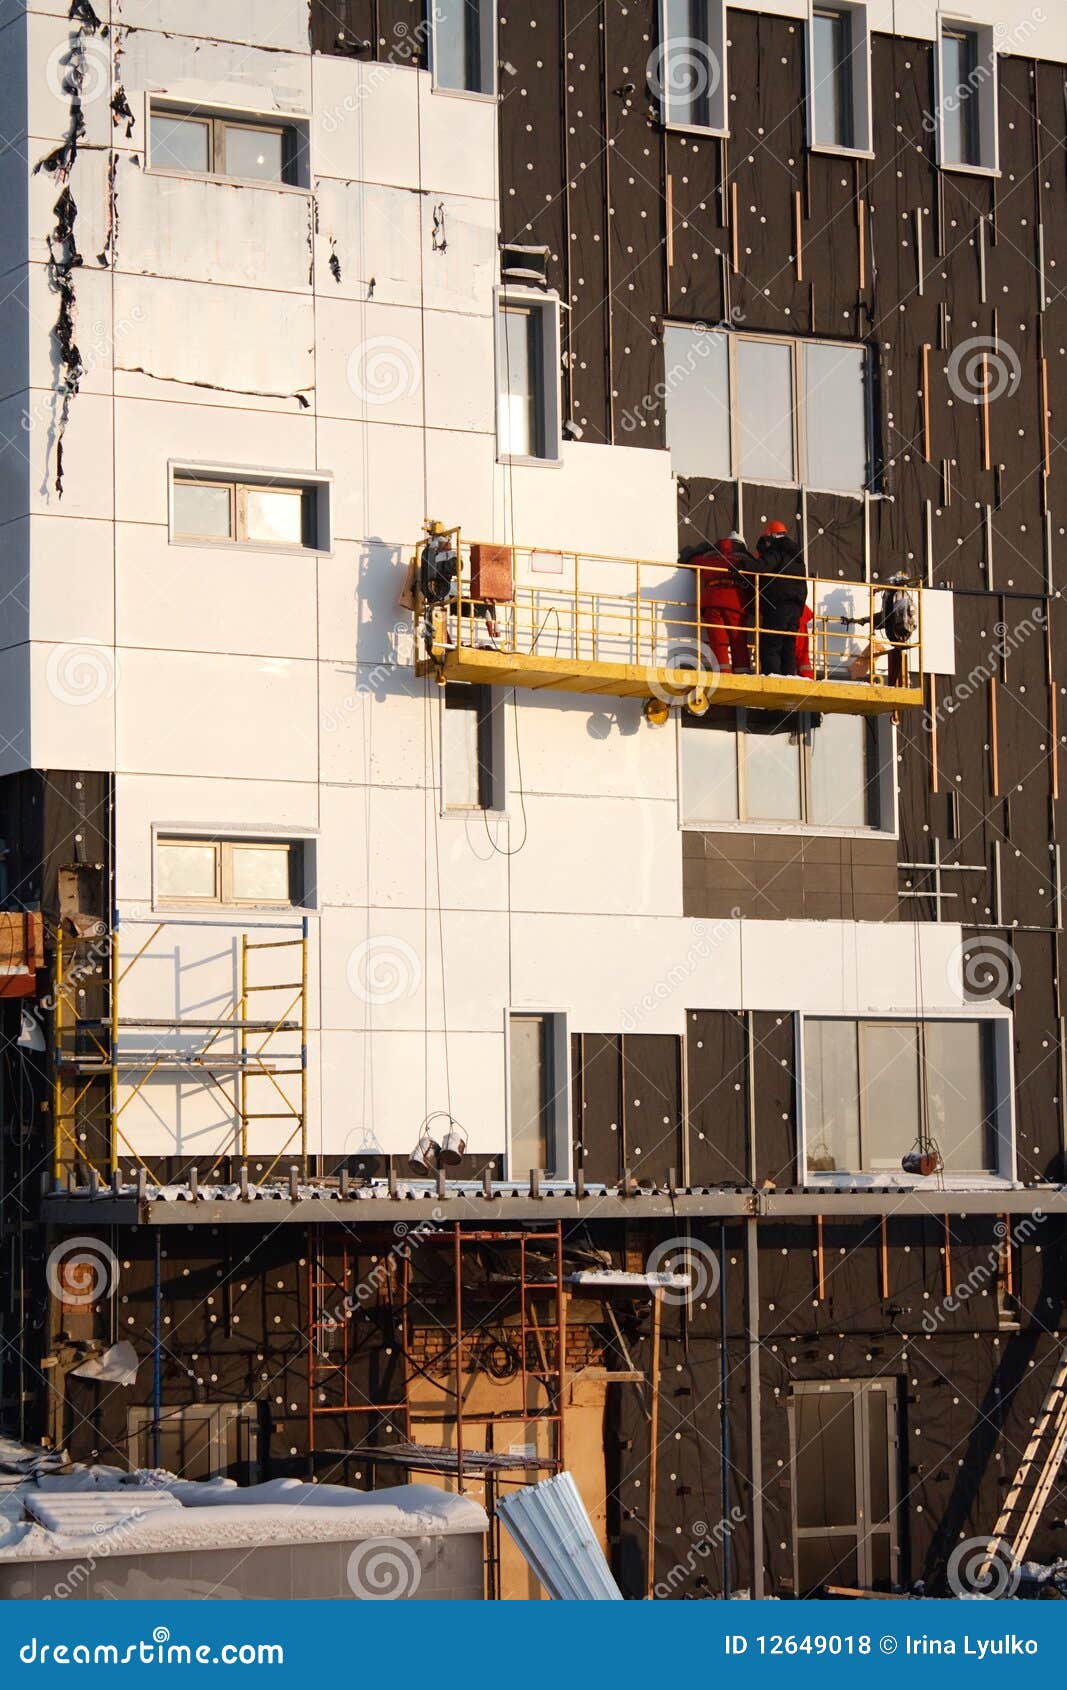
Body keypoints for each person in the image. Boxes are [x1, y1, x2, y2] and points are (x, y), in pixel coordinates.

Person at [686, 535, 754, 673]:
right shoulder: (744, 560)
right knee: (738, 640)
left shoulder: (707, 559)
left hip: (712, 602)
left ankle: (722, 671)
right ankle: (742, 671)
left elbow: (692, 561)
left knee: (718, 640)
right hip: (735, 602)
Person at [843, 572, 917, 685]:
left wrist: (861, 620)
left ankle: (898, 682)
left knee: (897, 659)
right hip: (896, 632)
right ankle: (897, 683)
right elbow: (884, 617)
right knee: (896, 658)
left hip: (899, 632)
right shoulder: (893, 598)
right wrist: (859, 620)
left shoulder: (900, 599)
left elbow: (887, 616)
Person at [754, 520, 808, 676]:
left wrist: (742, 564)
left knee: (772, 642)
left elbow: (762, 566)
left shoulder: (776, 552)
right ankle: (788, 676)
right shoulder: (797, 558)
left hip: (778, 604)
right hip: (796, 607)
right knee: (788, 644)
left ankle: (773, 676)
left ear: (770, 536)